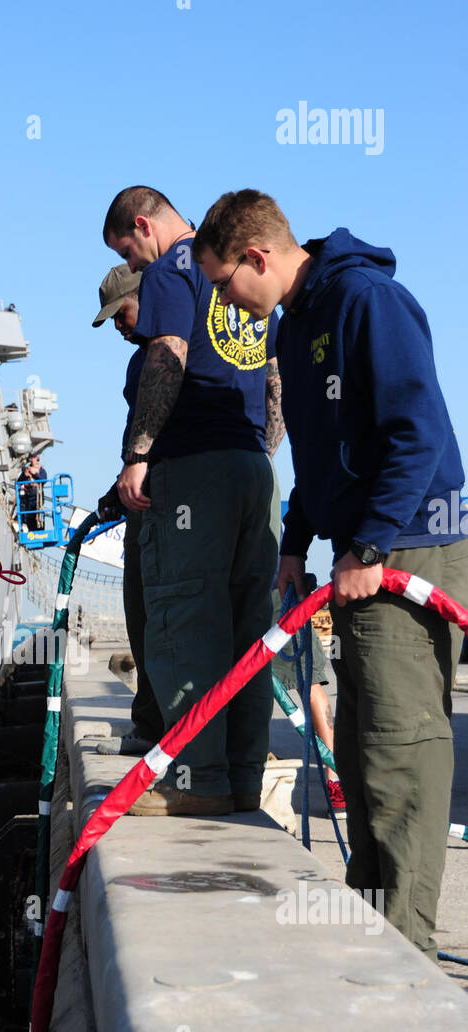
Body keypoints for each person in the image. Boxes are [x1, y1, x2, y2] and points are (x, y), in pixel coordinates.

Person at [192, 190, 468, 956]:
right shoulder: (297, 321)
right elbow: (319, 452)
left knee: (397, 748)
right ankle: (371, 930)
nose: (226, 303)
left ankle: (403, 954)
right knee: (357, 744)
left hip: (408, 545)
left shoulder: (365, 301)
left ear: (256, 256)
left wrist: (369, 546)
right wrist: (294, 540)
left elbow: (418, 432)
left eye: (222, 285)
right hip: (359, 549)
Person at [102, 186, 283, 815]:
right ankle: (237, 780)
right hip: (253, 472)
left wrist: (139, 453)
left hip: (195, 472)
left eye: (130, 250)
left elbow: (168, 354)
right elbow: (274, 381)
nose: (136, 263)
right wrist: (258, 450)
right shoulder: (237, 277)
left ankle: (193, 782)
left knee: (186, 619)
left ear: (143, 227)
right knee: (247, 631)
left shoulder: (174, 269)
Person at [92, 263, 163, 754]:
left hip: (162, 504)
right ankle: (150, 725)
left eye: (123, 313)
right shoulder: (141, 362)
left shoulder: (171, 352)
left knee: (155, 615)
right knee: (140, 615)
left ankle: (159, 731)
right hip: (140, 500)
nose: (119, 325)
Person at [269, 588, 346, 818]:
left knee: (309, 680)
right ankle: (248, 774)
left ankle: (336, 778)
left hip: (276, 592)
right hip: (231, 589)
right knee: (240, 685)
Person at [18, 456, 47, 531]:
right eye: (30, 458)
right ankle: (24, 525)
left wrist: (34, 474)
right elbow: (18, 482)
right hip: (27, 497)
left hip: (37, 497)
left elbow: (44, 480)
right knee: (26, 515)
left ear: (37, 458)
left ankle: (39, 529)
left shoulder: (41, 470)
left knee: (38, 516)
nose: (32, 460)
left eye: (33, 458)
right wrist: (25, 475)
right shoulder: (26, 469)